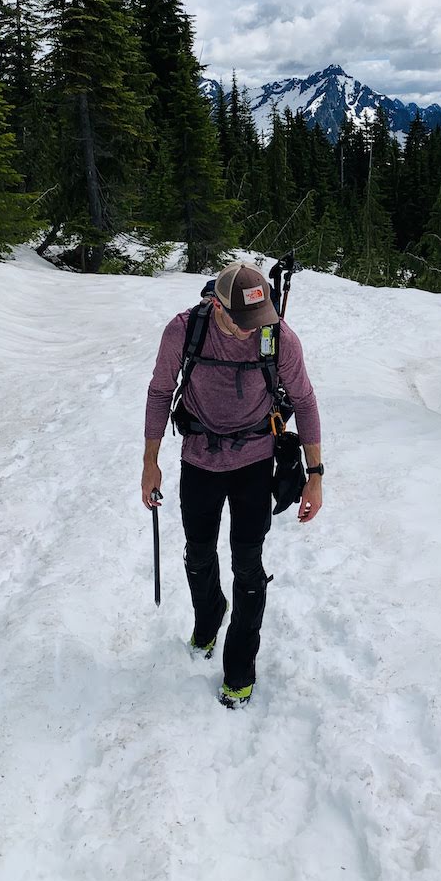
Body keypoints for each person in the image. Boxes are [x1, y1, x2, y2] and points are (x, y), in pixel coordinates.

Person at [142, 261, 323, 708]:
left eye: (257, 319)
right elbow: (160, 392)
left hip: (255, 463)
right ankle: (209, 619)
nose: (251, 329)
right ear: (217, 304)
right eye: (242, 320)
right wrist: (150, 461)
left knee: (248, 564)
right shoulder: (184, 331)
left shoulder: (277, 336)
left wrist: (316, 475)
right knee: (198, 553)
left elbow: (304, 399)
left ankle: (240, 668)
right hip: (199, 459)